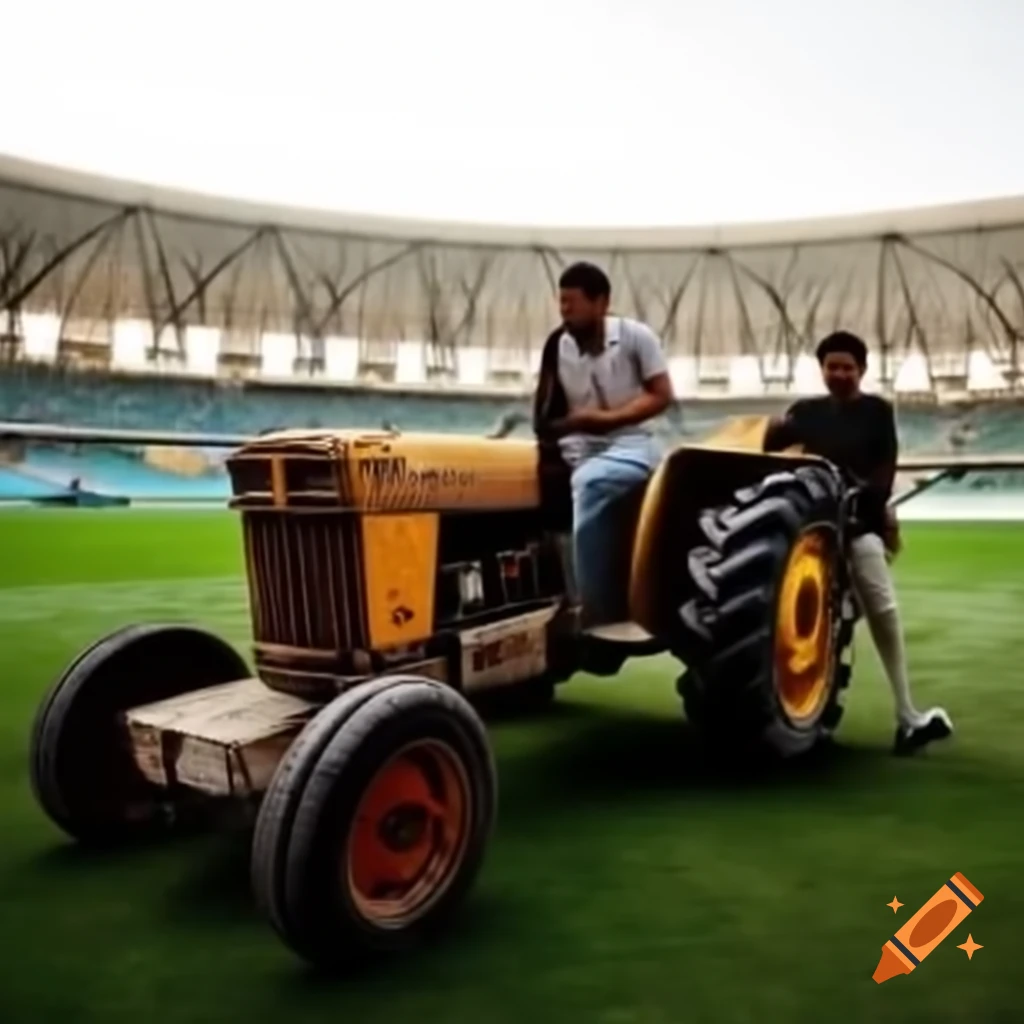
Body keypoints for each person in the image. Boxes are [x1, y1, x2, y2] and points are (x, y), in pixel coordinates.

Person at [763, 330, 953, 756]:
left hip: (856, 525)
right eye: (833, 366)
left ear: (862, 371)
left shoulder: (877, 412)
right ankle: (802, 709)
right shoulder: (806, 412)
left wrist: (861, 504)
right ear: (823, 369)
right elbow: (771, 446)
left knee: (881, 607)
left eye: (848, 367)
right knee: (804, 618)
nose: (840, 374)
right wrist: (770, 430)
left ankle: (907, 717)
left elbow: (884, 474)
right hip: (808, 534)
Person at [533, 261, 674, 627]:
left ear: (601, 303)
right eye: (561, 302)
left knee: (589, 482)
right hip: (578, 446)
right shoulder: (557, 345)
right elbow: (547, 412)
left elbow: (661, 395)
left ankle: (594, 611)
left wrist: (607, 420)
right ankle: (549, 593)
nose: (564, 311)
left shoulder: (636, 336)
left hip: (632, 444)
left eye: (573, 303)